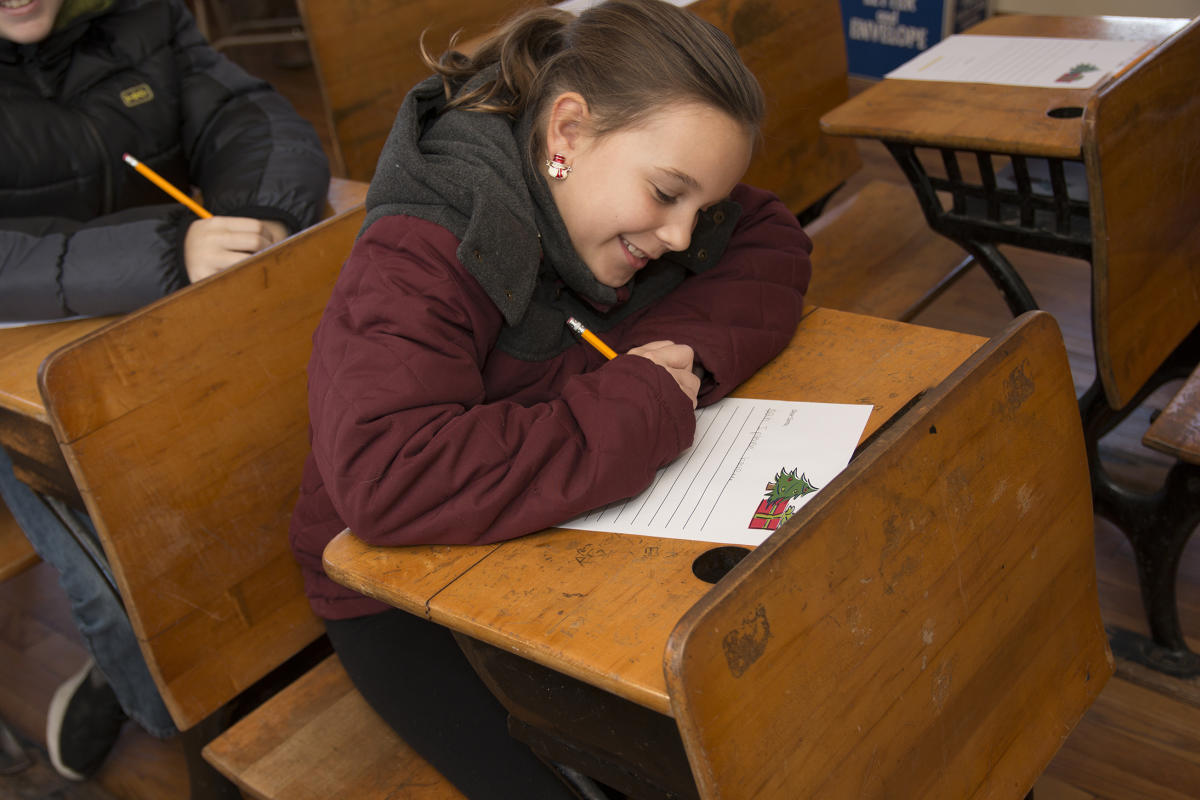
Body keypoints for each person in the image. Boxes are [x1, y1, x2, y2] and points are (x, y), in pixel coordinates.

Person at [288, 0, 811, 795]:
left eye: (700, 209)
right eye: (665, 193)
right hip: (400, 589)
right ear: (567, 131)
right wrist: (638, 407)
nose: (681, 235)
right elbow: (388, 476)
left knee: (765, 715)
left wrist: (675, 362)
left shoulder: (619, 212)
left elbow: (769, 237)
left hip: (559, 533)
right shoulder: (423, 249)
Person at [0, 0, 329, 781]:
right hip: (22, 376)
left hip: (175, 325)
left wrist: (256, 218)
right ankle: (157, 696)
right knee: (120, 584)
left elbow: (250, 117)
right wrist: (164, 253)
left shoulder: (141, 14)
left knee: (280, 473)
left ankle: (278, 660)